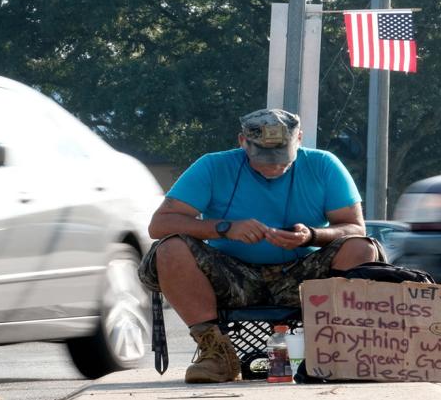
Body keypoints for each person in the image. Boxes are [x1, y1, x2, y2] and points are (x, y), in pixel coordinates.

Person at [139, 108, 382, 384]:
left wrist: (311, 235)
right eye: (264, 158)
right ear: (242, 141)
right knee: (170, 248)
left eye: (282, 157)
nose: (274, 166)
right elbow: (159, 225)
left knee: (361, 248)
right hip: (233, 277)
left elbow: (354, 227)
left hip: (304, 278)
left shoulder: (324, 165)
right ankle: (216, 354)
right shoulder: (212, 166)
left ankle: (334, 350)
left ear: (299, 139)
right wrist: (225, 228)